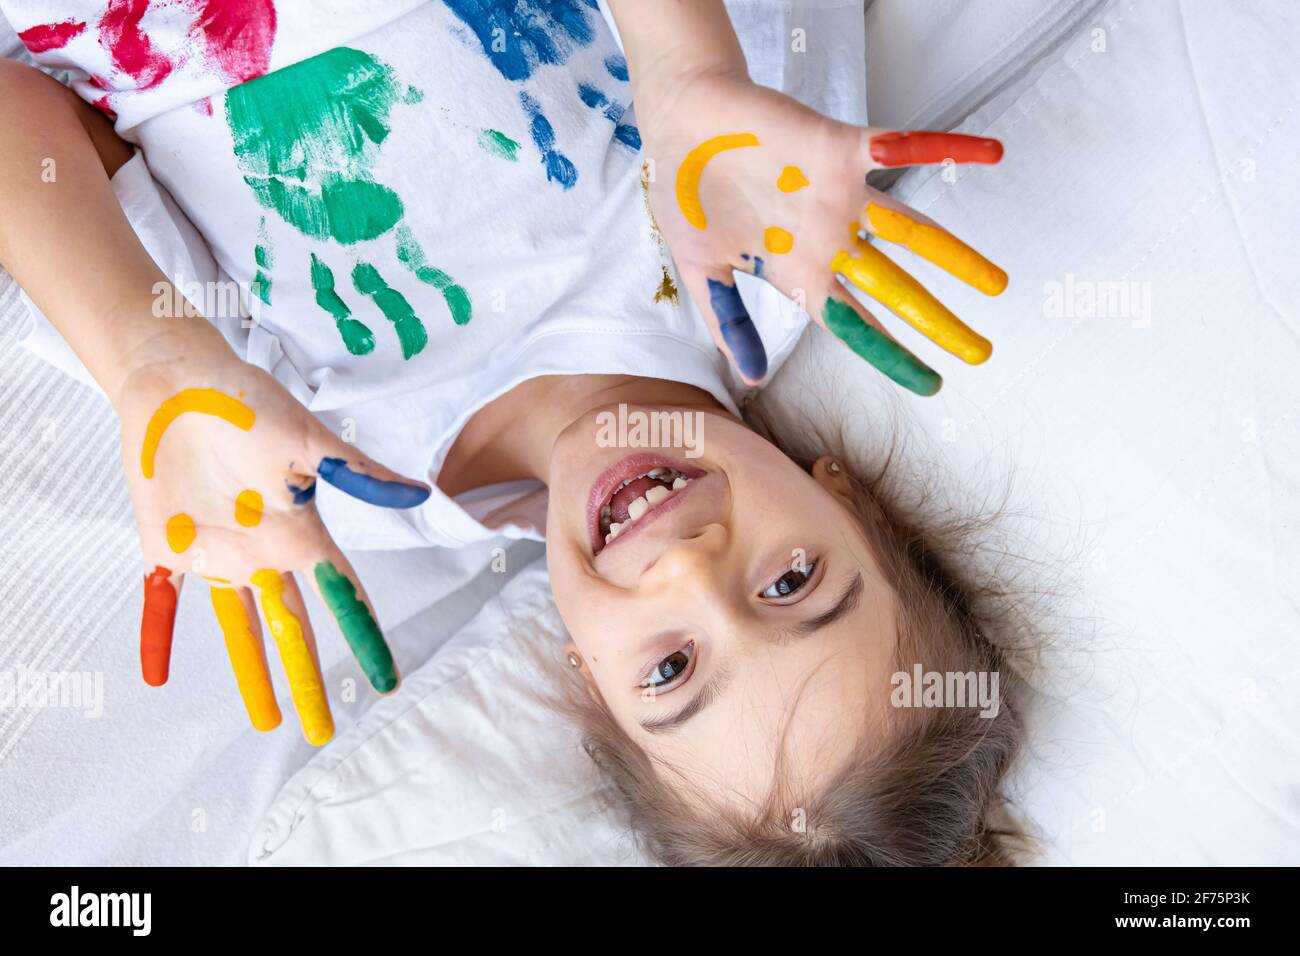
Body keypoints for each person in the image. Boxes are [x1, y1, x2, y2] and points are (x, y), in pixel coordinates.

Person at [0, 0, 1023, 863]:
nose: (687, 570)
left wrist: (147, 357)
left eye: (669, 669)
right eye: (791, 581)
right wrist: (685, 68)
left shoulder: (321, 482)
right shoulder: (775, 229)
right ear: (844, 493)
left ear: (588, 677)